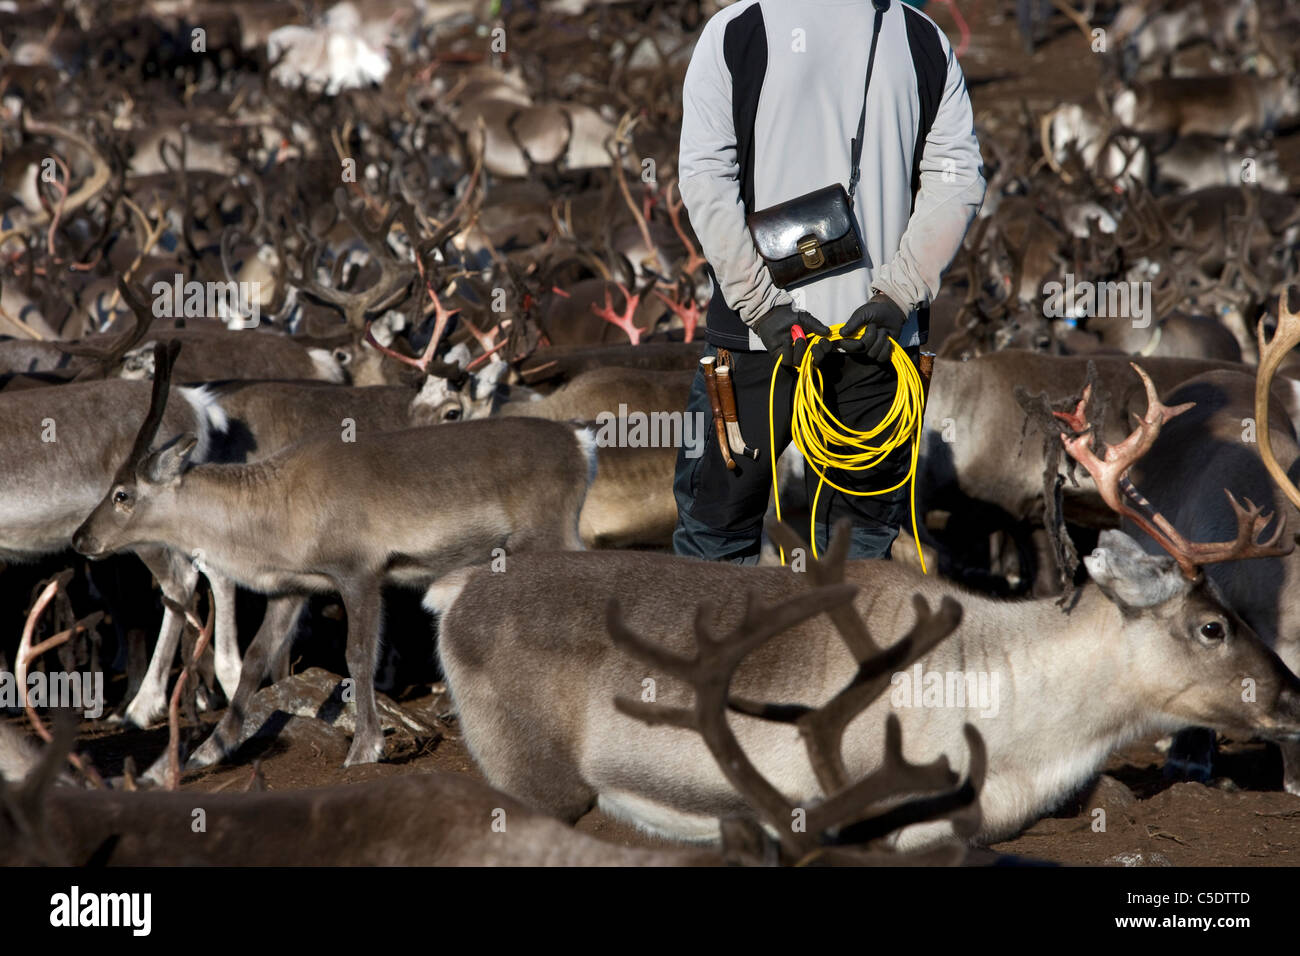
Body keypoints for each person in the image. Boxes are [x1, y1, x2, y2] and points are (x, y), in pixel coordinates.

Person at [672, 0, 985, 563]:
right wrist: (897, 295)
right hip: (880, 342)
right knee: (856, 551)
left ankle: (722, 652)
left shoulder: (735, 32)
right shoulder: (923, 40)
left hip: (755, 345)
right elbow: (957, 181)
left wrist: (763, 308)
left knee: (715, 542)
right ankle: (844, 655)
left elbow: (705, 183)